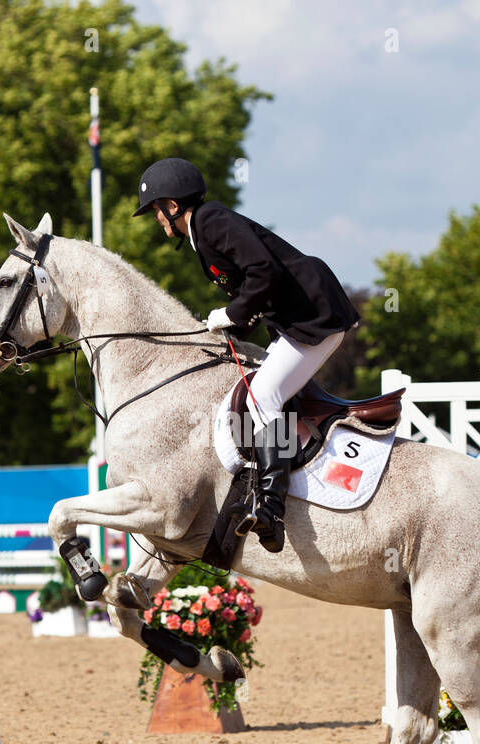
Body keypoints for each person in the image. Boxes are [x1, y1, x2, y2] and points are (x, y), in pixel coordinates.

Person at [133, 158, 359, 553]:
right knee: (258, 388)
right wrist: (228, 329)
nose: (156, 219)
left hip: (313, 316)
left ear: (172, 205)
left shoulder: (210, 220)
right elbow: (256, 290)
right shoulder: (202, 234)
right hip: (295, 320)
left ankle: (271, 506)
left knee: (263, 395)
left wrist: (232, 313)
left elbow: (263, 271)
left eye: (156, 210)